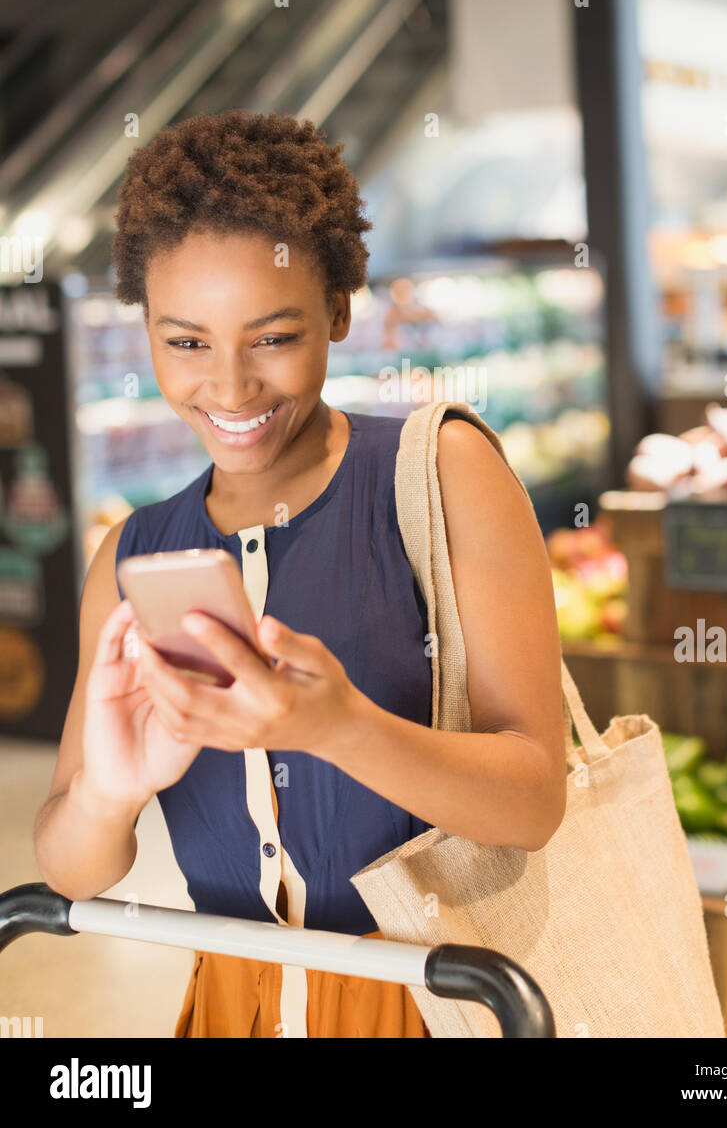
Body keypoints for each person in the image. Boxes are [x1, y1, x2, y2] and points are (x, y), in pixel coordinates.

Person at [33, 110, 566, 1039]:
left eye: (272, 338)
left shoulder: (439, 476)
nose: (230, 389)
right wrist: (109, 793)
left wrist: (339, 727)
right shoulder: (130, 556)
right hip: (239, 1005)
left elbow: (531, 800)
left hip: (442, 1002)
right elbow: (74, 870)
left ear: (339, 312)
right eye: (186, 342)